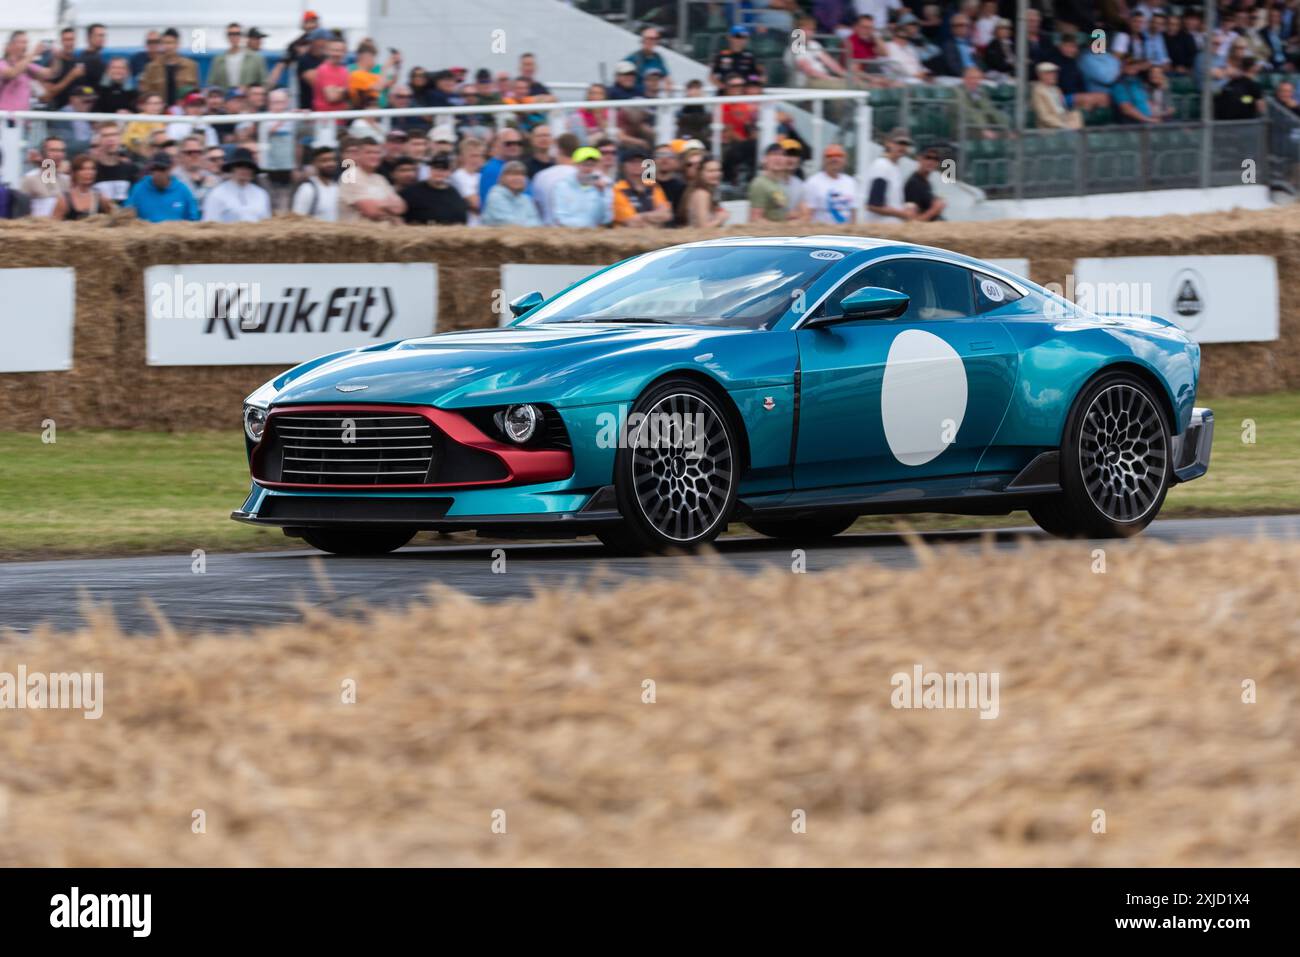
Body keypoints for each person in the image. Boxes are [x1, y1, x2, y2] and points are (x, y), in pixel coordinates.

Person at [339, 137, 406, 224]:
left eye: (377, 153)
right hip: (358, 233)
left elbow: (401, 207)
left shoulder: (380, 178)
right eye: (369, 152)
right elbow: (371, 211)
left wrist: (379, 205)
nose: (374, 156)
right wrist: (389, 207)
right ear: (358, 155)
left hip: (382, 233)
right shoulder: (350, 176)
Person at [124, 151, 200, 222]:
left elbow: (193, 219)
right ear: (151, 170)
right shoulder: (139, 189)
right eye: (155, 169)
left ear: (170, 169)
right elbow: (126, 216)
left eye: (162, 169)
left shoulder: (183, 190)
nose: (158, 173)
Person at [203, 148, 272, 222]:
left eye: (249, 167)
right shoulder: (217, 194)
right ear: (232, 168)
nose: (244, 170)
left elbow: (267, 222)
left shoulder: (261, 194)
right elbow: (209, 222)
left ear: (253, 170)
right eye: (240, 166)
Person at [552, 146, 612, 227]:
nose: (588, 168)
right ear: (576, 165)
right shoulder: (562, 186)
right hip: (569, 234)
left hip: (595, 235)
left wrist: (601, 194)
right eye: (584, 164)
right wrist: (585, 226)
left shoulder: (606, 184)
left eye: (592, 165)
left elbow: (606, 219)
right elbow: (560, 217)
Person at [864, 129, 915, 223]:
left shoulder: (894, 168)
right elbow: (874, 205)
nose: (902, 147)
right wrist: (903, 214)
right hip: (879, 231)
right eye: (899, 143)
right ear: (888, 143)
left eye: (905, 144)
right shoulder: (882, 166)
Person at [612, 147, 671, 228]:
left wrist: (642, 217)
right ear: (624, 166)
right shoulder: (617, 189)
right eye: (632, 162)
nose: (637, 165)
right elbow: (631, 221)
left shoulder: (654, 187)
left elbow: (666, 215)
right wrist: (655, 217)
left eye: (640, 161)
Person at [401, 154, 468, 225]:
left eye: (444, 169)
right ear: (430, 169)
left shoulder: (454, 193)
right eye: (436, 168)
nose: (439, 172)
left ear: (449, 172)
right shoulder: (412, 191)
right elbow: (399, 214)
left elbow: (461, 219)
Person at [139, 28, 199, 107]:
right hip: (159, 112)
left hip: (184, 112)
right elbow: (145, 93)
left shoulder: (191, 66)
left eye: (171, 43)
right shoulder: (151, 67)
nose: (168, 46)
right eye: (165, 43)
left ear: (178, 44)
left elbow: (195, 92)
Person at [801, 143, 859, 225]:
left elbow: (854, 212)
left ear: (845, 159)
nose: (834, 159)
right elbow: (807, 215)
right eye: (830, 156)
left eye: (839, 155)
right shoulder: (813, 182)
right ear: (823, 160)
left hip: (845, 233)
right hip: (823, 234)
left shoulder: (850, 182)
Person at [531, 132, 578, 225]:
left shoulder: (541, 176)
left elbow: (536, 208)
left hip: (549, 232)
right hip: (580, 232)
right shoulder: (586, 176)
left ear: (558, 150)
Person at [1, 31, 55, 111]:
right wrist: (34, 53)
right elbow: (12, 73)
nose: (26, 46)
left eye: (26, 42)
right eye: (23, 42)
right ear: (11, 45)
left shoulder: (26, 64)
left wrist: (57, 57)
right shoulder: (2, 63)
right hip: (6, 119)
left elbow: (51, 74)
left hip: (23, 118)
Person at [52, 154, 115, 220]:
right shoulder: (64, 200)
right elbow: (53, 224)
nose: (88, 173)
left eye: (92, 169)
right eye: (83, 169)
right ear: (74, 173)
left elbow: (112, 220)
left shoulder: (101, 198)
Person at [748, 143, 799, 223]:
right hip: (768, 234)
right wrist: (780, 228)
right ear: (765, 159)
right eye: (774, 154)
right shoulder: (760, 184)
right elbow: (755, 219)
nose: (778, 158)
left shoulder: (780, 184)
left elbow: (778, 213)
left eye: (782, 155)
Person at [21, 136, 70, 217]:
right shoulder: (30, 179)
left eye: (62, 151)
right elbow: (21, 212)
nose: (58, 154)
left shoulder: (67, 180)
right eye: (53, 150)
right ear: (42, 153)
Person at [208, 23, 267, 90]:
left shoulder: (256, 58)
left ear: (242, 36)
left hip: (247, 99)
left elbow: (263, 83)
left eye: (237, 34)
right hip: (226, 98)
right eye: (231, 34)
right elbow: (212, 84)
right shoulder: (218, 60)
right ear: (227, 36)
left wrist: (249, 90)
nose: (234, 37)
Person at [482, 160, 541, 226]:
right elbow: (509, 223)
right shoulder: (495, 197)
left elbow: (537, 223)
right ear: (502, 178)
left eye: (521, 174)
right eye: (512, 174)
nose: (518, 178)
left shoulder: (526, 199)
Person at [478, 129, 527, 208]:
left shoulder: (517, 166)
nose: (515, 146)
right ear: (498, 145)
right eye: (509, 143)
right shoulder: (492, 170)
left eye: (519, 143)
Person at [91, 123, 138, 203]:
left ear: (120, 139)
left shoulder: (131, 170)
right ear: (98, 141)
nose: (110, 139)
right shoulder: (91, 171)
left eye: (114, 135)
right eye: (105, 136)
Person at [291, 145, 339, 220]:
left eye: (333, 160)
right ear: (315, 163)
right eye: (324, 161)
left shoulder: (336, 188)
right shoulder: (307, 189)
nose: (330, 164)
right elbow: (297, 219)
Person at [678, 155, 727, 228]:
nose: (716, 174)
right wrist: (720, 219)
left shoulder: (702, 192)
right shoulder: (702, 194)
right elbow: (703, 227)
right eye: (711, 171)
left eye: (718, 170)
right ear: (701, 173)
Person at [1031, 61, 1083, 130]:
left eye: (1054, 73)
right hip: (1051, 127)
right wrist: (1064, 125)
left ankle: (1078, 133)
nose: (1054, 76)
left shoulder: (1056, 89)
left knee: (1076, 114)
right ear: (1041, 75)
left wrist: (1069, 122)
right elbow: (1044, 116)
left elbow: (1063, 108)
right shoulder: (1038, 91)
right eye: (1049, 73)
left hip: (1064, 120)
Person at [174, 135, 220, 205]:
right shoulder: (173, 178)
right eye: (189, 152)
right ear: (180, 155)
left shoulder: (212, 178)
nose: (194, 156)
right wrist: (206, 188)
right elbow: (189, 202)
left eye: (198, 152)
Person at [904, 147, 946, 222]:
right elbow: (912, 222)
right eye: (928, 157)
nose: (931, 161)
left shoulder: (926, 183)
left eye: (935, 159)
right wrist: (935, 209)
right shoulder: (913, 184)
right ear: (919, 158)